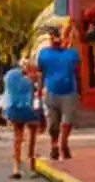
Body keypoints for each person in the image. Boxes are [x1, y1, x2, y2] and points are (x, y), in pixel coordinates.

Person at [37, 24, 81, 160]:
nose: (55, 39)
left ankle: (62, 143)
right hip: (51, 92)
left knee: (67, 121)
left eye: (58, 36)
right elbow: (40, 74)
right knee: (53, 124)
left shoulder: (72, 53)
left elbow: (78, 71)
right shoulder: (44, 54)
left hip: (69, 92)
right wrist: (39, 90)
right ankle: (54, 145)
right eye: (53, 36)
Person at [3, 59, 43, 179]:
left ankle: (16, 168)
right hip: (29, 110)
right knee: (31, 138)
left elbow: (8, 92)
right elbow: (38, 94)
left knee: (17, 138)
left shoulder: (10, 75)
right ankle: (30, 167)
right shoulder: (32, 79)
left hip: (14, 109)